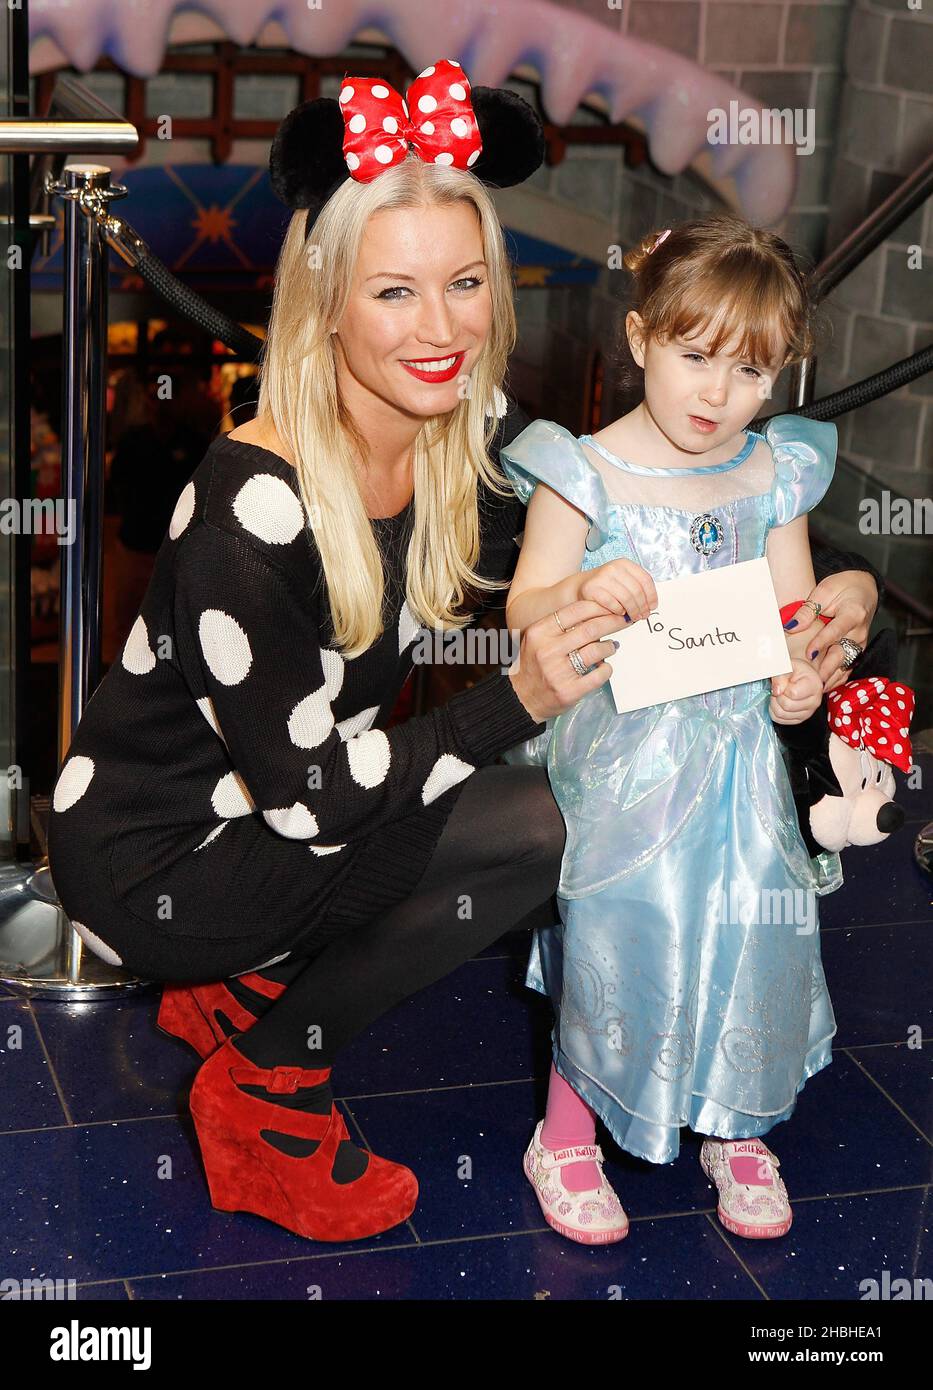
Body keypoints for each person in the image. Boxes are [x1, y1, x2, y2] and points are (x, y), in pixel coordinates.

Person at [46, 74, 880, 1249]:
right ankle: (269, 1081)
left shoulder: (449, 449)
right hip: (157, 859)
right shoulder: (253, 503)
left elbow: (656, 508)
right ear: (327, 301)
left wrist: (840, 584)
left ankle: (245, 981)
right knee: (550, 825)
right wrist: (517, 700)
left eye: (466, 282)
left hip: (267, 821)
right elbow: (316, 798)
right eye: (395, 291)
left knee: (533, 809)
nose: (441, 328)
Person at [500, 213, 882, 1246]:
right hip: (622, 744)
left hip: (742, 746)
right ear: (638, 340)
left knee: (755, 923)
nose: (719, 394)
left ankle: (736, 1116)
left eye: (753, 371)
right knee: (624, 921)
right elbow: (523, 608)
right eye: (695, 355)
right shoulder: (581, 470)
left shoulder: (774, 472)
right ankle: (568, 1129)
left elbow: (792, 612)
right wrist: (582, 584)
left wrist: (804, 677)